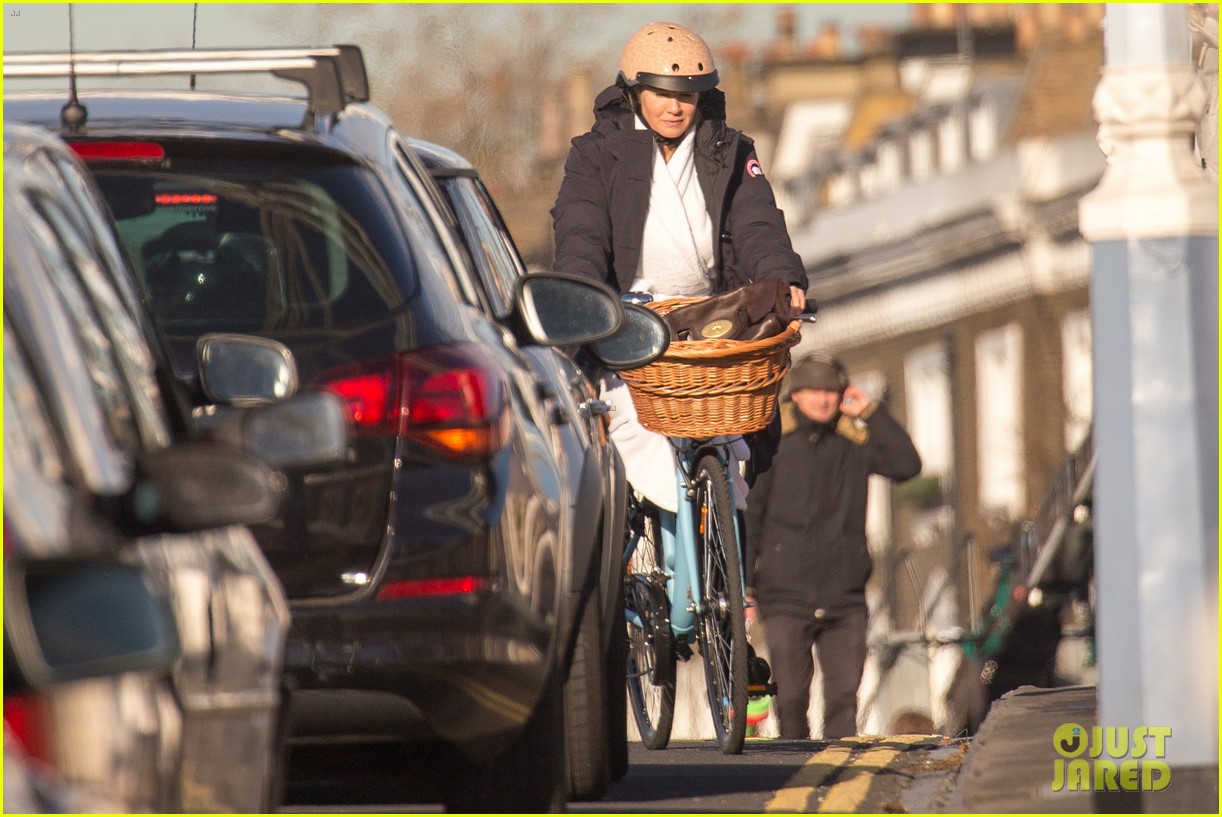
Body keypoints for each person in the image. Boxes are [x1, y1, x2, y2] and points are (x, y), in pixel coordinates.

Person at [551, 20, 807, 511]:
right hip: (626, 327)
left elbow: (758, 224)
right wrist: (580, 302)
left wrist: (785, 278)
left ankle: (716, 563)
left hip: (710, 324)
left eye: (688, 95)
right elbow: (581, 236)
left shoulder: (731, 151)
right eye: (662, 94)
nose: (675, 107)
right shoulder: (594, 156)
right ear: (633, 92)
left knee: (733, 442)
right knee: (634, 427)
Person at [744, 354, 922, 739]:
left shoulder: (854, 441)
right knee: (790, 700)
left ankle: (834, 776)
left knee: (843, 700)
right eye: (813, 391)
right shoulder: (772, 443)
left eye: (831, 392)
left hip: (845, 595)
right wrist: (745, 583)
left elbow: (907, 465)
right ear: (796, 394)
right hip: (784, 593)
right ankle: (792, 773)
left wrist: (872, 412)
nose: (823, 400)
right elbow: (751, 512)